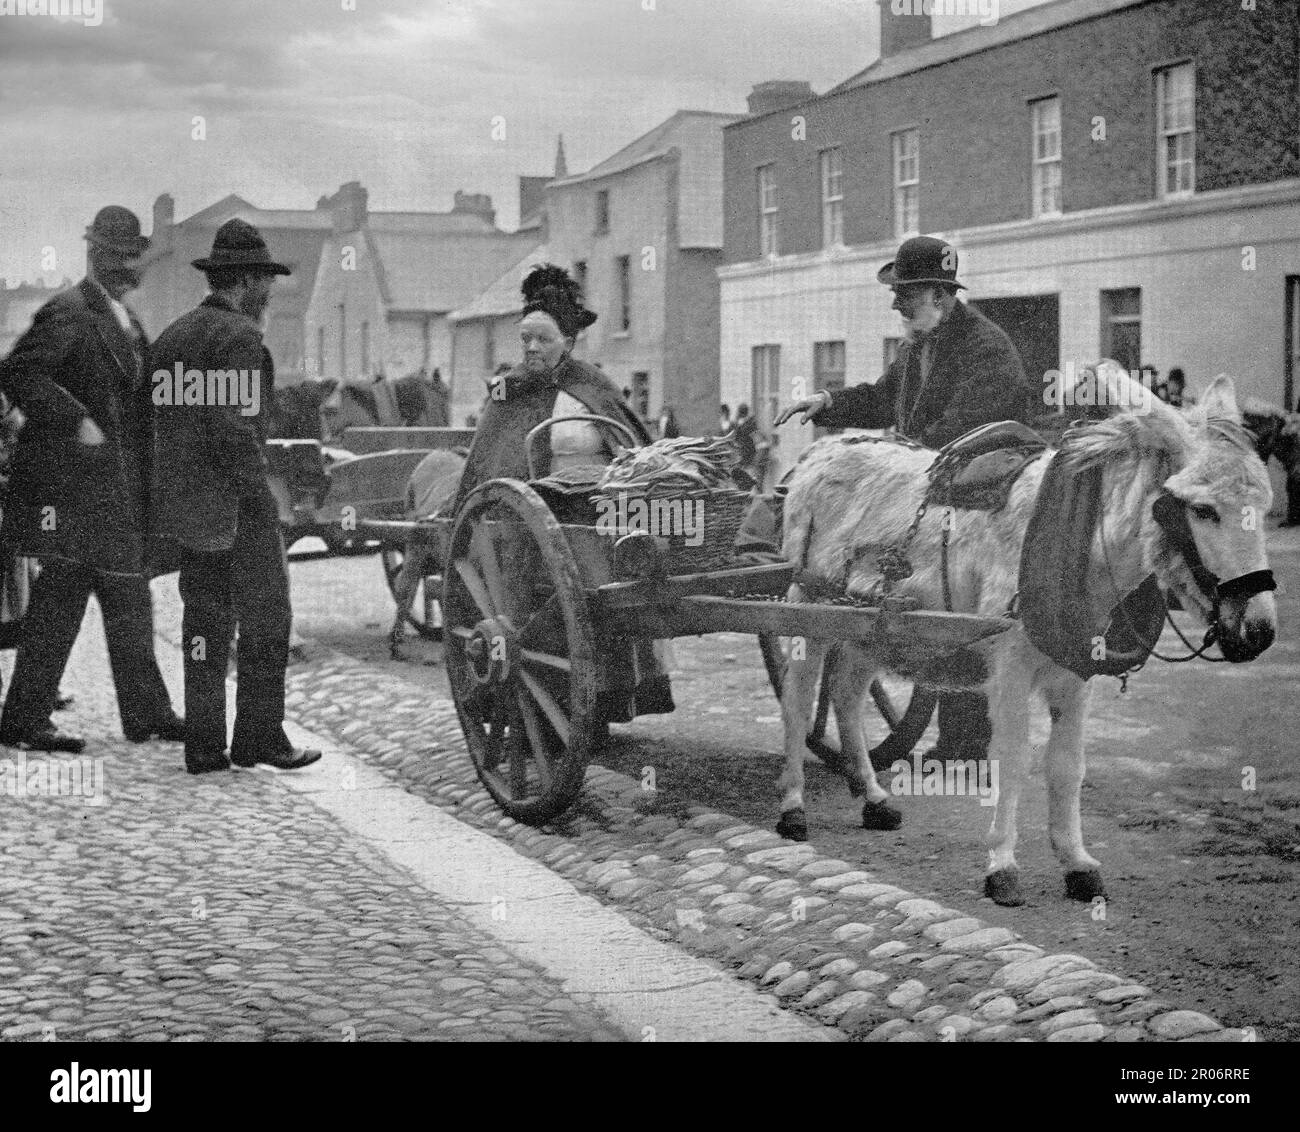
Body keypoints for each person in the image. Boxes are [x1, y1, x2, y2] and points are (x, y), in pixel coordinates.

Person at [775, 235, 1035, 763]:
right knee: (930, 595)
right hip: (929, 487)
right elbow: (879, 396)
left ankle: (965, 743)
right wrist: (827, 402)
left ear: (939, 294)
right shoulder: (921, 343)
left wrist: (893, 460)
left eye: (906, 295)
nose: (896, 304)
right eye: (896, 294)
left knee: (959, 603)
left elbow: (966, 430)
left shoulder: (986, 348)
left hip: (981, 500)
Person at [0, 206, 183, 753]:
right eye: (120, 256)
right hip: (72, 495)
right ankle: (23, 720)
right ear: (97, 256)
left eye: (133, 256)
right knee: (61, 603)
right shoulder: (71, 310)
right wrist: (74, 418)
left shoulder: (124, 319)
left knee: (129, 599)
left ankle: (147, 713)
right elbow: (17, 373)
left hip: (114, 494)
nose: (132, 267)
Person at [450, 263, 670, 718]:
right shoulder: (506, 394)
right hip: (531, 527)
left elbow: (630, 445)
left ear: (568, 343)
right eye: (525, 338)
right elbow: (488, 461)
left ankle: (608, 702)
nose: (530, 347)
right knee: (548, 608)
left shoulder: (592, 385)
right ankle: (549, 712)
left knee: (615, 589)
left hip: (600, 513)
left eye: (542, 339)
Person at [150, 219, 321, 775]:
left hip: (189, 508)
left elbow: (154, 425)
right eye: (265, 281)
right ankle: (258, 737)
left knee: (203, 624)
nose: (269, 293)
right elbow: (233, 428)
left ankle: (203, 746)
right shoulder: (241, 339)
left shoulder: (171, 339)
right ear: (247, 282)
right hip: (237, 503)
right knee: (268, 618)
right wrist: (259, 493)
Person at [731, 403, 758, 470]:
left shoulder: (745, 423)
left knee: (745, 465)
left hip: (746, 447)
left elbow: (737, 435)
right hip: (745, 447)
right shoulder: (748, 422)